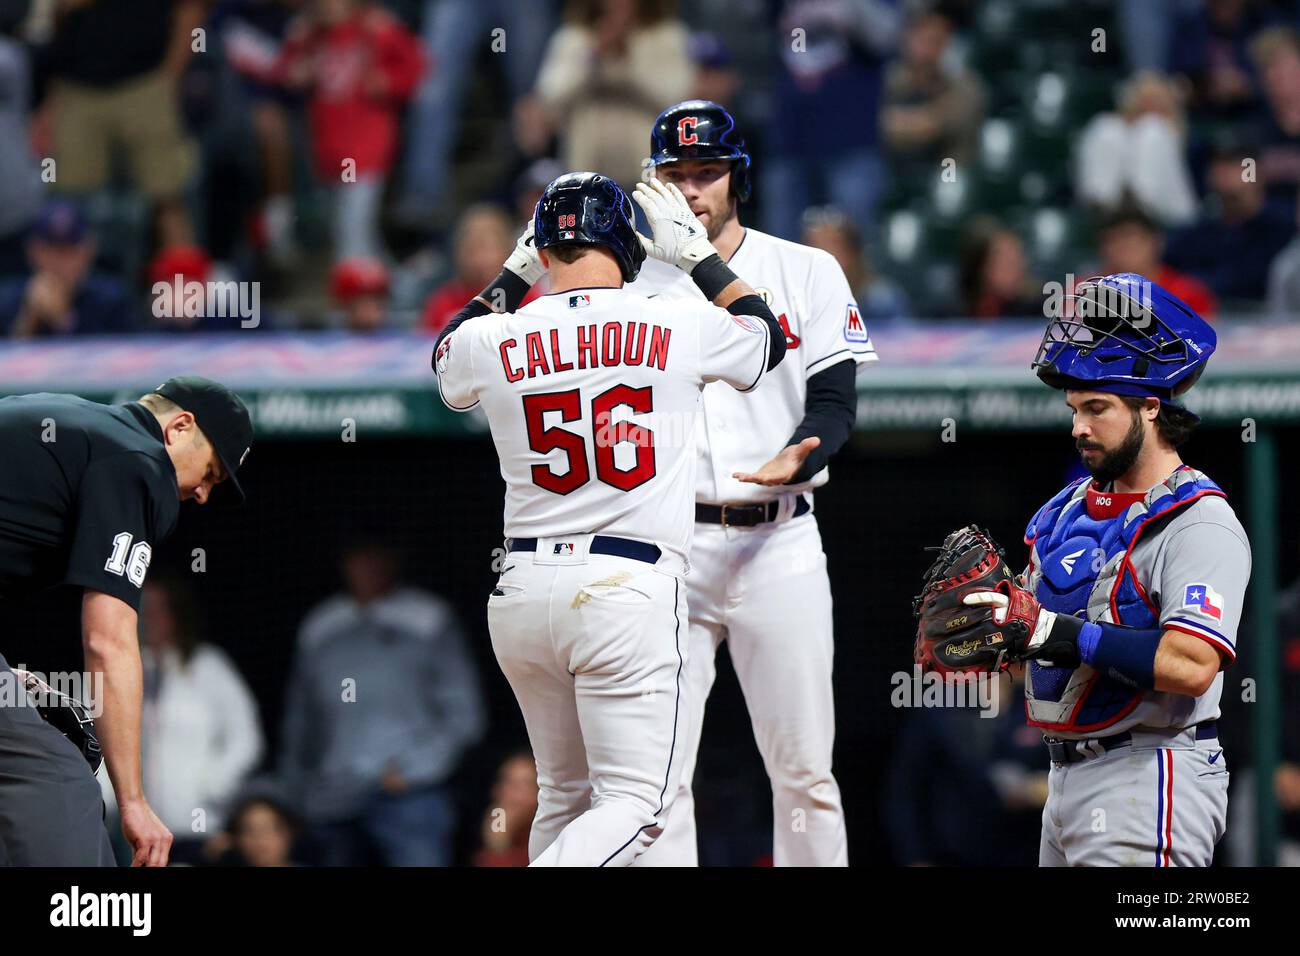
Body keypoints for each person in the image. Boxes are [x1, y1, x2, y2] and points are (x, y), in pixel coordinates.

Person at [433, 170, 786, 865]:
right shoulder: (672, 318)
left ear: (542, 246)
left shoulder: (500, 331)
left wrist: (512, 273)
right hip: (624, 588)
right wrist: (697, 255)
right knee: (635, 804)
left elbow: (446, 357)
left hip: (524, 590)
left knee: (564, 797)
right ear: (627, 244)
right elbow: (765, 338)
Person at [628, 101, 878, 867]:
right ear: (650, 186)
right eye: (675, 176)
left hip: (779, 541)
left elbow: (835, 405)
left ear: (737, 176)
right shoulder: (629, 289)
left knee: (804, 771)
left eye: (706, 173)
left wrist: (803, 453)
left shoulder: (806, 268)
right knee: (658, 779)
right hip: (668, 547)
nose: (692, 191)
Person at [957, 274, 1250, 866]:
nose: (1078, 427)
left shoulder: (1200, 522)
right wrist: (1004, 632)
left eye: (1097, 408)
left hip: (1151, 772)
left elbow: (1192, 666)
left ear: (1151, 407)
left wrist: (1056, 634)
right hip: (1063, 778)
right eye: (1074, 409)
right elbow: (1045, 635)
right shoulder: (1064, 510)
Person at [0, 376, 253, 866]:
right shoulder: (139, 460)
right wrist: (133, 802)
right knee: (56, 776)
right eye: (210, 473)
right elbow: (109, 640)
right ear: (180, 427)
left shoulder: (74, 420)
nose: (202, 493)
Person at [278, 538, 484, 867]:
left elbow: (465, 717)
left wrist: (414, 769)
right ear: (344, 563)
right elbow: (299, 722)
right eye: (358, 556)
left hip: (409, 794)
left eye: (377, 555)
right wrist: (298, 792)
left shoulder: (430, 618)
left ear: (394, 559)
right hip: (332, 797)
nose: (368, 566)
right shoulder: (320, 626)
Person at [99, 576, 264, 865]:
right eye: (143, 609)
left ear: (176, 613)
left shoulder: (207, 665)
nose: (149, 619)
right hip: (133, 834)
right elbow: (103, 737)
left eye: (159, 609)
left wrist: (211, 785)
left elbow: (245, 738)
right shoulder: (121, 669)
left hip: (196, 827)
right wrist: (105, 801)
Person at [41, 0, 203, 250]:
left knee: (168, 197)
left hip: (145, 82)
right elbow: (56, 15)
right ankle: (71, 288)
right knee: (68, 204)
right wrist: (52, 97)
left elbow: (191, 8)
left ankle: (187, 284)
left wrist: (171, 77)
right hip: (76, 89)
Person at [277, 0, 424, 261]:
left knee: (351, 233)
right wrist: (294, 69)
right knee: (357, 232)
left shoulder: (375, 28)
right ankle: (393, 287)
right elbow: (283, 71)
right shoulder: (306, 36)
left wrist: (389, 82)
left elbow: (417, 65)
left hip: (367, 149)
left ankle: (353, 295)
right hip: (328, 153)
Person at [532, 0, 694, 191]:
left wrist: (628, 65)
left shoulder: (668, 36)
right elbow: (551, 98)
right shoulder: (573, 38)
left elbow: (678, 100)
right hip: (584, 181)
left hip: (651, 181)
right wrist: (593, 58)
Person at [1165, 142, 1296, 303]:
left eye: (1236, 166)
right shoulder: (1197, 233)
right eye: (1220, 168)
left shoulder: (1283, 227)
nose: (1225, 175)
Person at [1074, 72, 1199, 227]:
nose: (1150, 113)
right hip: (1113, 211)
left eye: (1158, 106)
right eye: (1144, 105)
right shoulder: (1116, 131)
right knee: (1105, 126)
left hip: (1173, 214)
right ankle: (1102, 208)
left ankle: (1139, 206)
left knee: (1153, 131)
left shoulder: (1162, 133)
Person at [0, 200, 135, 337]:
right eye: (51, 250)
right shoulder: (8, 299)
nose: (60, 263)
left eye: (70, 251)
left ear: (89, 250)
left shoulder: (111, 299)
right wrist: (30, 318)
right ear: (33, 251)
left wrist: (64, 320)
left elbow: (132, 351)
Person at [881, 7, 985, 168]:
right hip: (895, 169)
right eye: (920, 39)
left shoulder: (966, 85)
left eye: (936, 41)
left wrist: (882, 121)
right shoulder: (894, 75)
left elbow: (929, 127)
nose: (926, 51)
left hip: (948, 171)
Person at [420, 205, 538, 334]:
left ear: (507, 251)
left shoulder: (530, 302)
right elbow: (424, 347)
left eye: (486, 249)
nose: (478, 259)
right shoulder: (442, 302)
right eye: (471, 249)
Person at [1091, 207, 1217, 319]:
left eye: (1132, 242)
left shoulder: (1190, 293)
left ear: (1156, 243)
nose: (1124, 250)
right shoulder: (1084, 290)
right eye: (1115, 241)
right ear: (1102, 248)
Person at [955, 218, 1042, 320]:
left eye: (1018, 260)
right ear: (982, 266)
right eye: (1007, 262)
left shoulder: (1037, 312)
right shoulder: (952, 317)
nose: (1019, 269)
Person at [473, 751, 539, 867]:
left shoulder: (550, 839)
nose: (511, 794)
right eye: (507, 782)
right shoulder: (499, 819)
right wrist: (498, 842)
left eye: (523, 785)